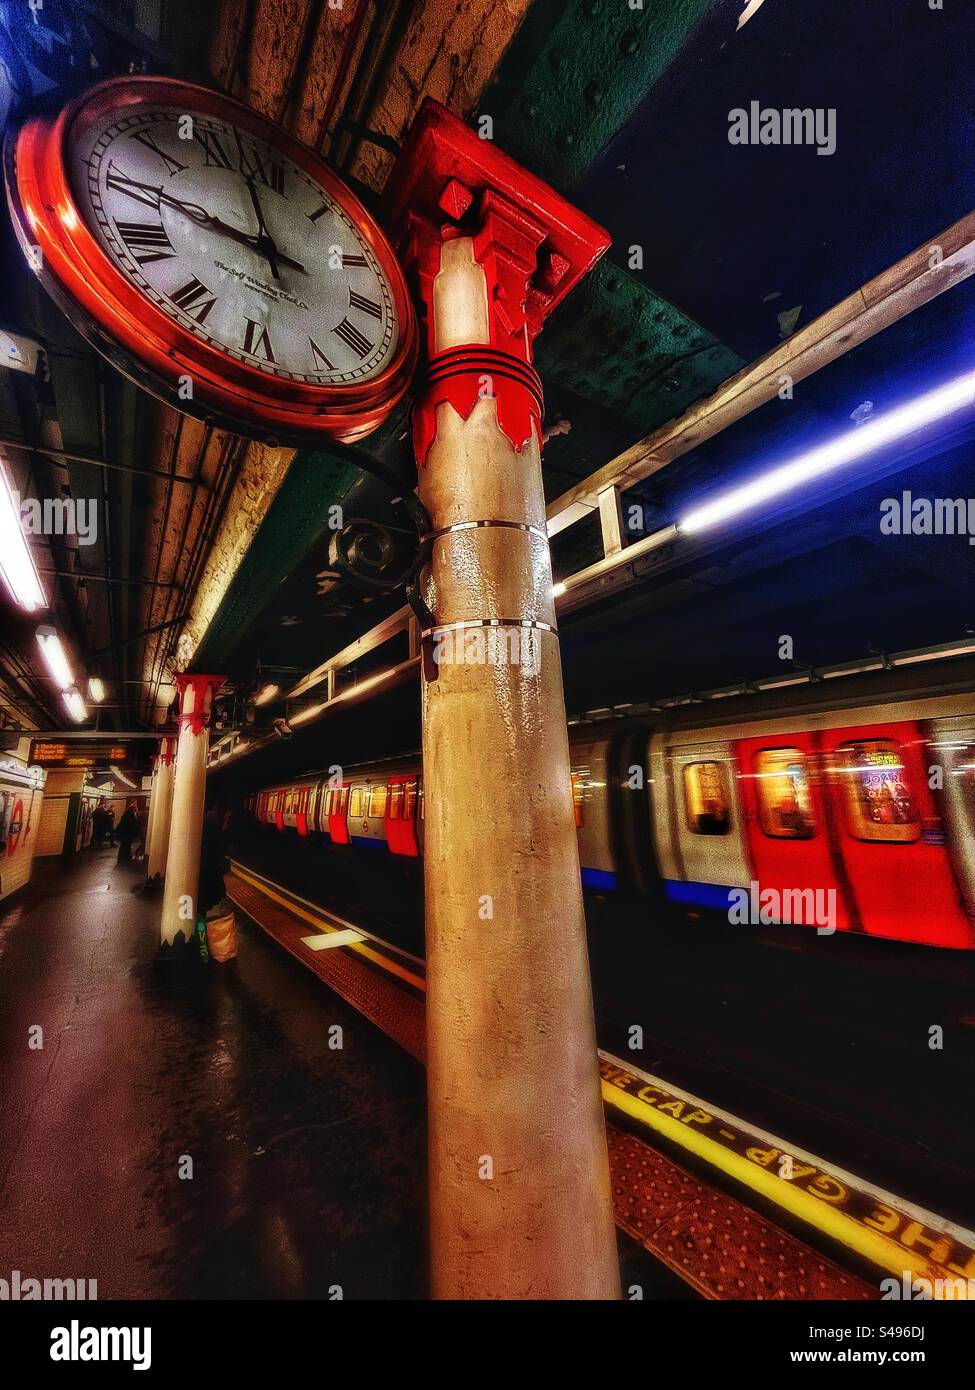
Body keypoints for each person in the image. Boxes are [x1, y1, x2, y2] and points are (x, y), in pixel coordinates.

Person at [199, 802, 228, 916]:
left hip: (204, 867)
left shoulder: (204, 824)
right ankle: (200, 928)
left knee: (202, 901)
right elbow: (220, 839)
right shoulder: (214, 829)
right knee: (207, 897)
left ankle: (200, 923)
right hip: (210, 869)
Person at [116, 800, 139, 865]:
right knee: (126, 845)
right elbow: (132, 823)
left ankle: (123, 859)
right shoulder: (130, 813)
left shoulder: (127, 812)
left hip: (125, 833)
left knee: (124, 846)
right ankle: (124, 859)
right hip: (127, 833)